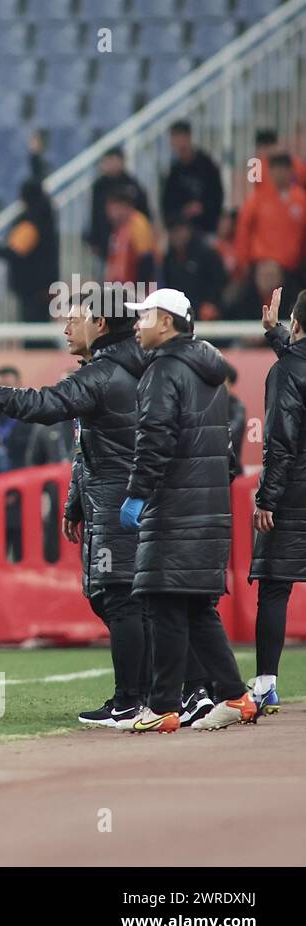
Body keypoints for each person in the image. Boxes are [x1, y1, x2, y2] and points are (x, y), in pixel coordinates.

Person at [0, 293, 149, 727]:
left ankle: (134, 698)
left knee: (119, 601)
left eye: (74, 320)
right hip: (113, 501)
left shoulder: (104, 373)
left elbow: (46, 406)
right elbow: (88, 452)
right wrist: (75, 502)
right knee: (120, 600)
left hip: (119, 505)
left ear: (99, 322)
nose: (65, 329)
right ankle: (153, 692)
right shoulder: (124, 368)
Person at [119, 288, 257, 732]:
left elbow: (155, 438)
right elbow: (225, 450)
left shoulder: (164, 370)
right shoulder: (211, 372)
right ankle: (236, 696)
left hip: (174, 506)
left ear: (166, 321)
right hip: (207, 506)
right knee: (197, 606)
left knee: (162, 601)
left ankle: (162, 707)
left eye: (143, 317)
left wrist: (138, 492)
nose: (136, 324)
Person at [250, 287, 302, 717]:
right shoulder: (290, 363)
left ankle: (266, 684)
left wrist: (267, 497)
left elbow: (281, 442)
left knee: (275, 585)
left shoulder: (285, 373)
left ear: (297, 324)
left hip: (293, 492)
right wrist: (275, 334)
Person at [0, 178, 60, 348]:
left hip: (32, 288)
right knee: (40, 330)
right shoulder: (46, 217)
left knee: (35, 335)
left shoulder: (29, 223)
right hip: (43, 286)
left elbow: (14, 252)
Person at [233, 153, 306, 307]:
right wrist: (243, 261)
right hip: (260, 267)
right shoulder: (257, 199)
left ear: (290, 171)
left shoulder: (301, 200)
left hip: (292, 269)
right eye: (275, 169)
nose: (279, 173)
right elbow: (243, 230)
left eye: (283, 169)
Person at [85, 146, 152, 261]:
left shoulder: (132, 185)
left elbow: (144, 213)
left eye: (112, 160)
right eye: (106, 161)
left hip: (130, 242)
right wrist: (94, 240)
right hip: (105, 240)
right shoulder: (99, 186)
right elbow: (95, 214)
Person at [160, 120, 224, 236]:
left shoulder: (207, 165)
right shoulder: (173, 172)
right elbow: (167, 205)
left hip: (205, 229)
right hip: (180, 233)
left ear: (189, 137)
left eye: (181, 137)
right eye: (175, 139)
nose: (179, 143)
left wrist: (201, 207)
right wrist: (184, 211)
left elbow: (217, 197)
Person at [160, 215, 227, 324]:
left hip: (208, 312)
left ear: (188, 231)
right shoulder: (168, 259)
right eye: (173, 231)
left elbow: (219, 280)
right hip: (181, 314)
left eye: (180, 230)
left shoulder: (206, 253)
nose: (177, 235)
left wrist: (211, 303)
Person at [103, 188, 158, 288]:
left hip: (135, 290)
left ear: (125, 207)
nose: (110, 213)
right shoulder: (119, 227)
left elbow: (146, 260)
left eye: (114, 208)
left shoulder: (138, 224)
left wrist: (138, 290)